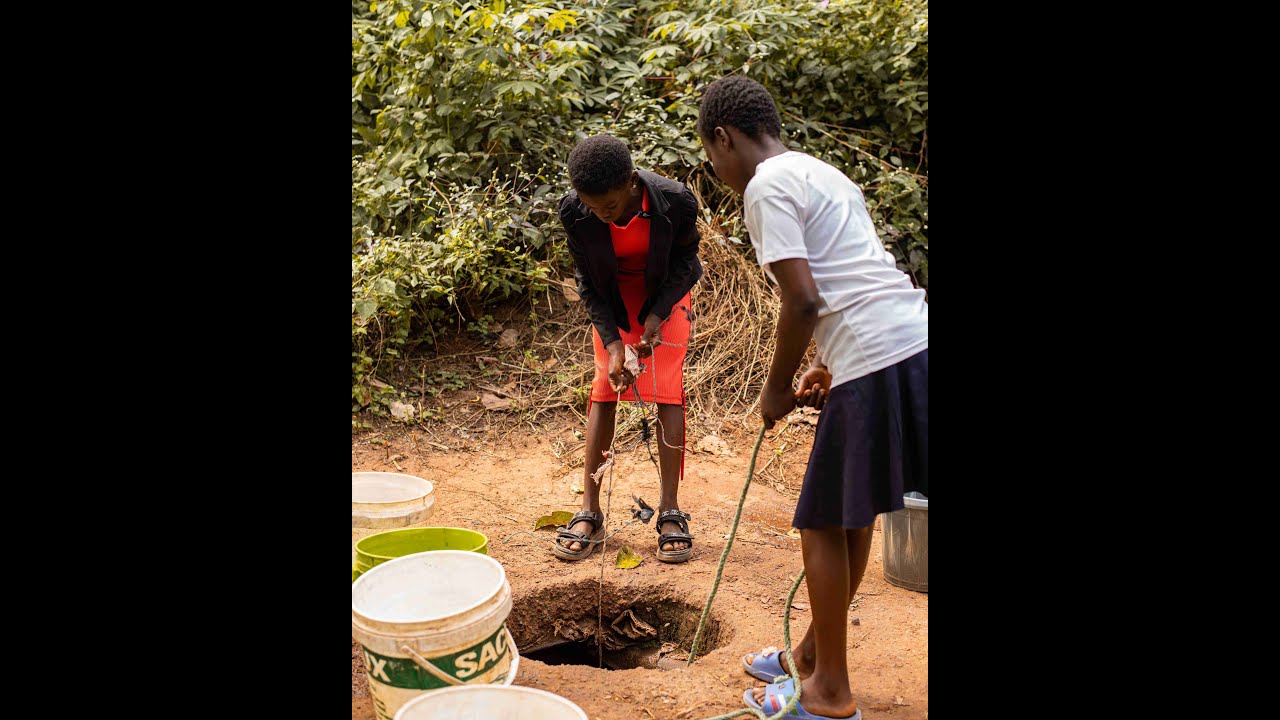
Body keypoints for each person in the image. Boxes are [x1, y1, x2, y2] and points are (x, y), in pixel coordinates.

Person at [698, 75, 928, 720]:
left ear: (725, 137)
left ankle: (830, 693)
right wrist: (828, 362)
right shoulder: (820, 172)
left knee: (823, 523)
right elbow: (849, 267)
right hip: (909, 340)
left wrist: (774, 387)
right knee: (850, 514)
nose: (716, 169)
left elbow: (801, 298)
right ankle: (809, 659)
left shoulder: (765, 186)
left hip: (875, 353)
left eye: (712, 156)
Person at [553, 134, 704, 564]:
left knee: (668, 390)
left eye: (611, 207)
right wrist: (615, 341)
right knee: (604, 386)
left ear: (631, 181)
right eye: (593, 208)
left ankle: (671, 511)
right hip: (614, 301)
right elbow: (587, 281)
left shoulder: (675, 201)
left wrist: (656, 319)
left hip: (665, 296)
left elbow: (687, 264)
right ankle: (590, 512)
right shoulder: (574, 211)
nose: (602, 215)